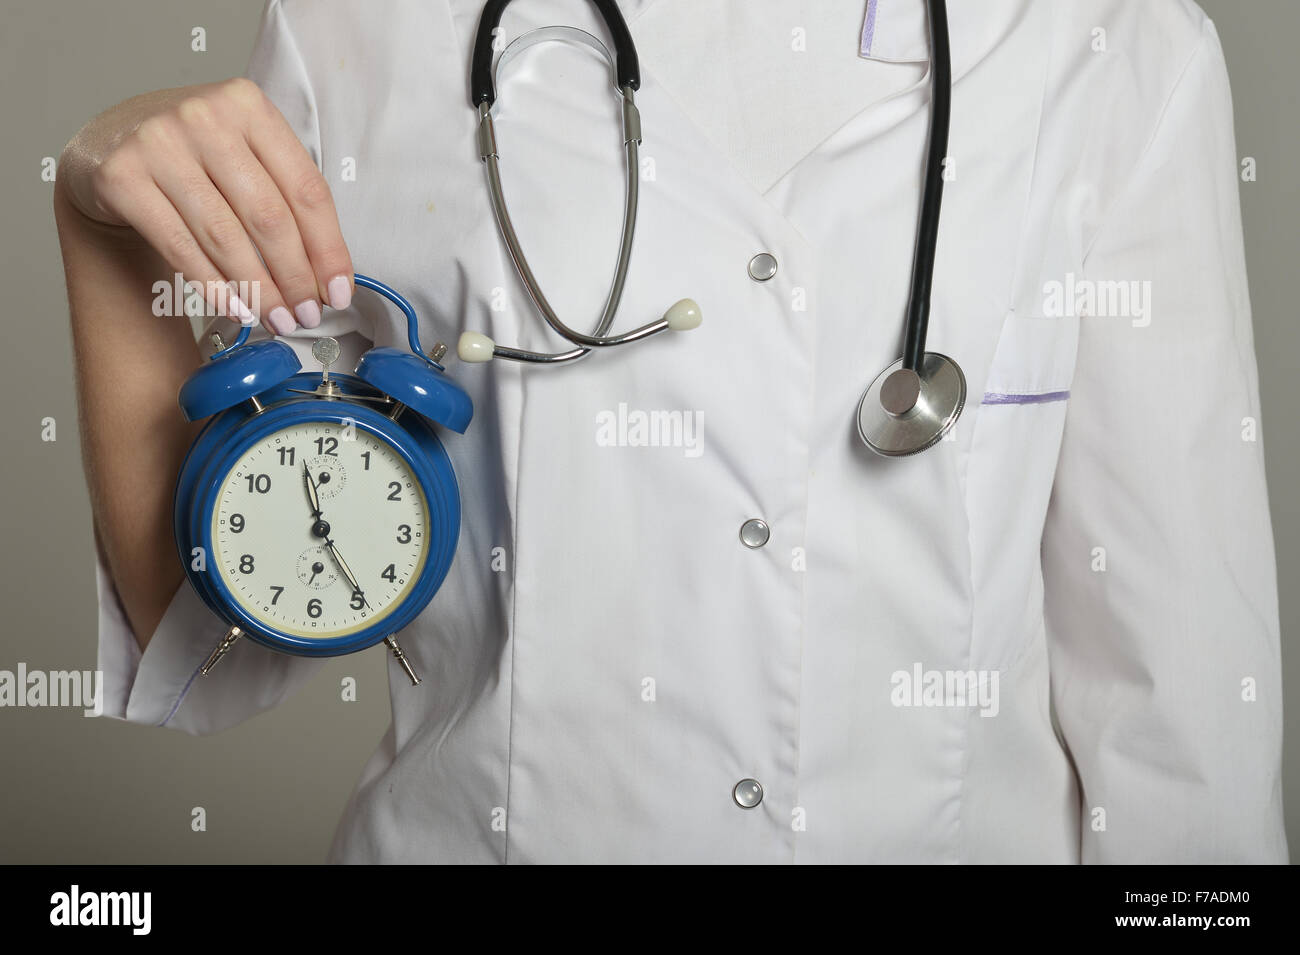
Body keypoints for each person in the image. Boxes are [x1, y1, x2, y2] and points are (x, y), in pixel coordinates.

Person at [54, 0, 1286, 863]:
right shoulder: (365, 31)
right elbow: (219, 630)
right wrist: (103, 232)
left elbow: (1182, 712)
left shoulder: (1113, 45)